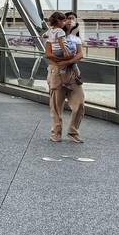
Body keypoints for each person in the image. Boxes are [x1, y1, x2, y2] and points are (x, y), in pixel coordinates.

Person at [45, 11, 85, 143]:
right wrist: (60, 61)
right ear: (60, 22)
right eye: (67, 19)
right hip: (56, 72)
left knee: (79, 103)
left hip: (72, 73)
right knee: (56, 105)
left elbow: (80, 54)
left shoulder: (75, 38)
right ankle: (56, 133)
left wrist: (67, 62)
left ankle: (73, 131)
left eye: (72, 19)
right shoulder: (53, 34)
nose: (69, 21)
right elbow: (48, 54)